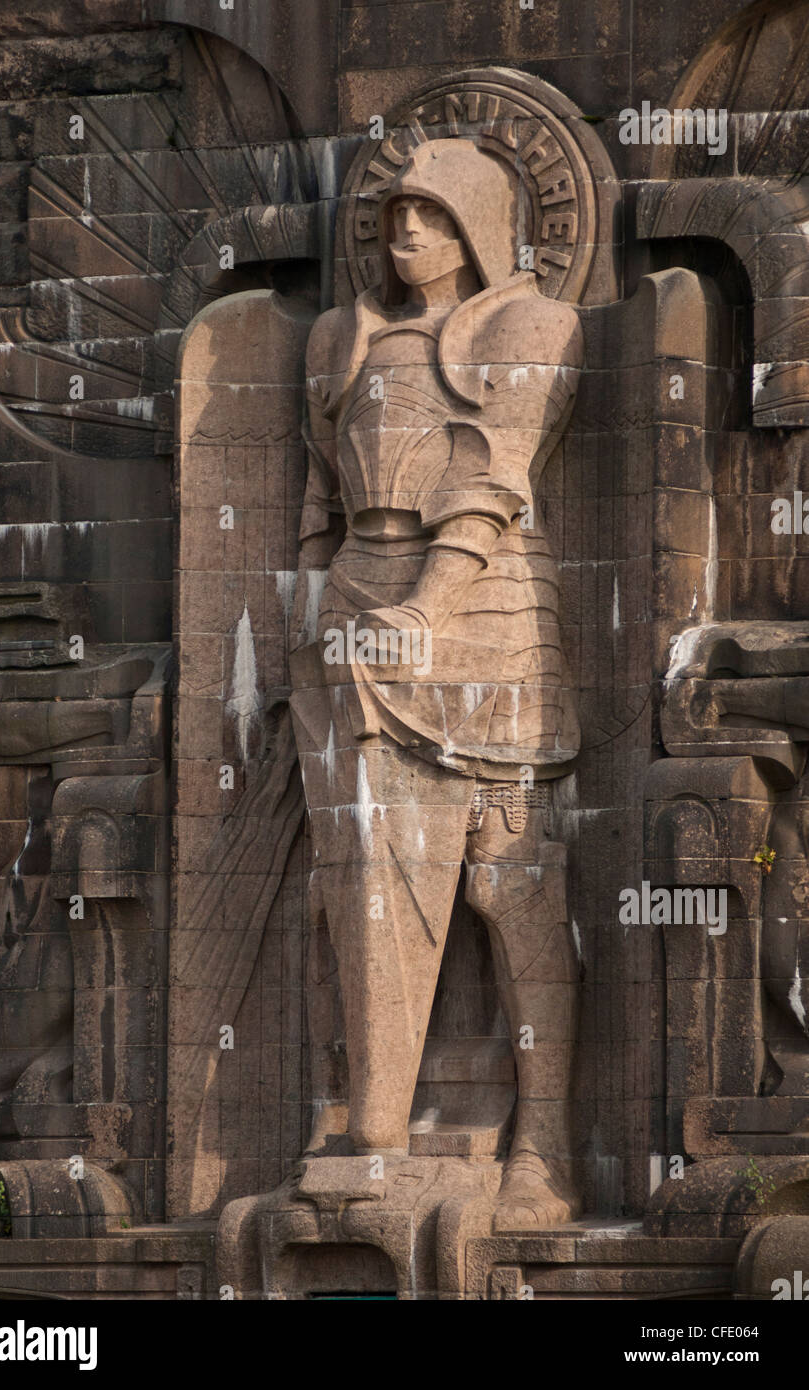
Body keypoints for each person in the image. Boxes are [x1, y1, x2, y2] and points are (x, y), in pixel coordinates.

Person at [289, 137, 584, 1228]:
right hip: (357, 604)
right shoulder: (338, 338)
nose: (403, 233)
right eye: (391, 215)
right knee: (360, 872)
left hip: (490, 610)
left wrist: (429, 608)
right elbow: (317, 499)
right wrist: (314, 611)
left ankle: (543, 1145)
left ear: (479, 227)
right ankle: (371, 1130)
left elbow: (492, 475)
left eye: (431, 214)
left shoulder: (530, 324)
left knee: (509, 881)